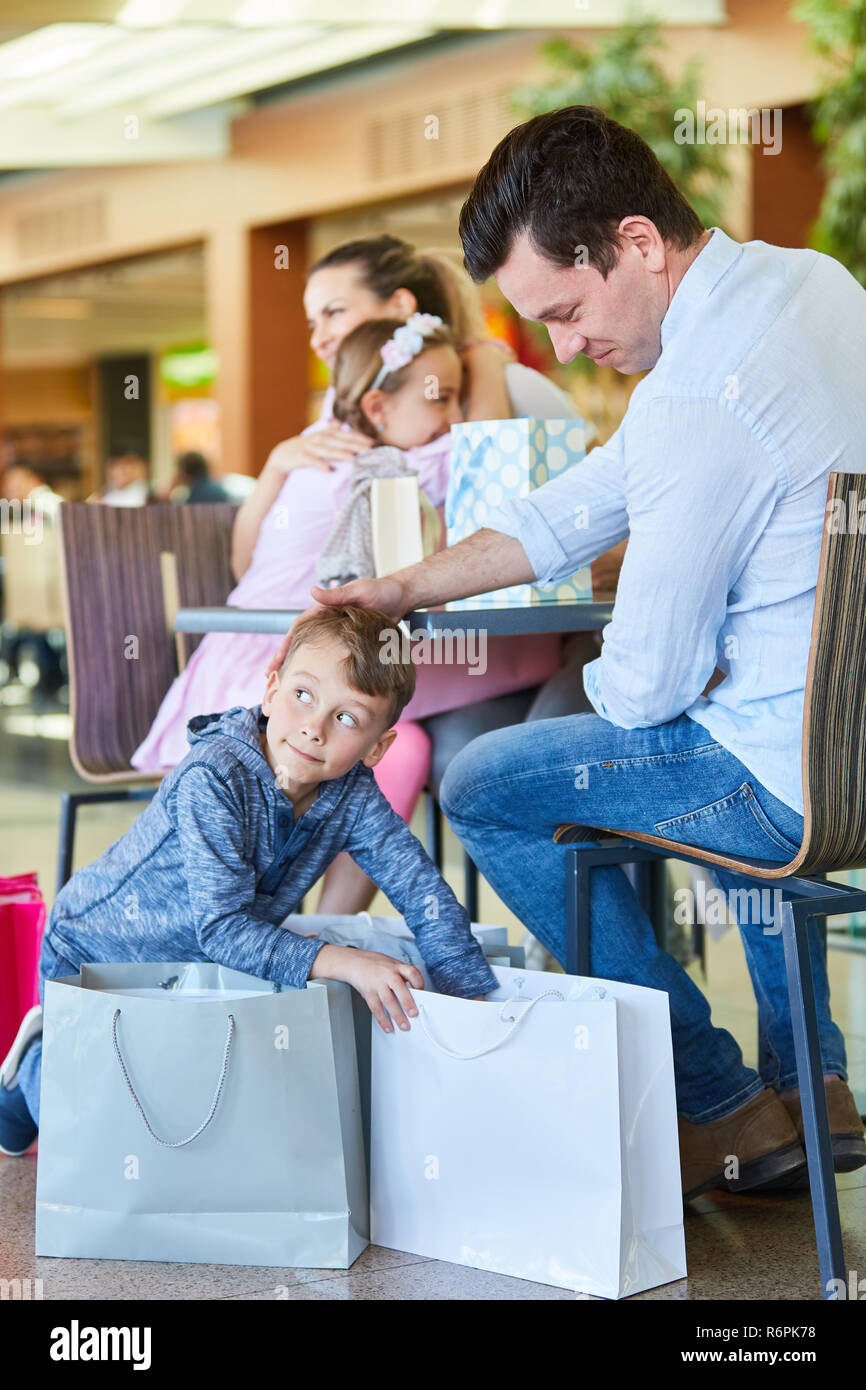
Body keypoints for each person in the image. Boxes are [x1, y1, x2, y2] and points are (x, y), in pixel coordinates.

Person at [284, 106, 866, 1200]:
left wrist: (610, 684)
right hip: (848, 758)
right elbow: (579, 505)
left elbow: (642, 689)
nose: (559, 347)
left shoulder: (700, 393)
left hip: (778, 787)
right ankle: (810, 1087)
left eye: (563, 309)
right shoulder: (812, 288)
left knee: (485, 779)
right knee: (704, 731)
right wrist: (405, 586)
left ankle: (710, 1098)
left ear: (637, 244)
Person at [0, 605, 497, 1155]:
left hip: (199, 970)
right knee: (97, 1141)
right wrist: (342, 960)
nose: (314, 727)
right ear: (271, 690)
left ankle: (28, 1088)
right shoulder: (214, 776)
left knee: (176, 1111)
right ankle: (35, 1065)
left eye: (348, 718)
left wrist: (466, 996)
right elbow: (224, 929)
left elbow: (421, 889)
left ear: (377, 748)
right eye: (304, 696)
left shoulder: (352, 795)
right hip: (95, 955)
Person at [90, 440, 151, 507]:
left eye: (129, 463)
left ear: (143, 466)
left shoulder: (150, 496)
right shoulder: (104, 494)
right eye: (115, 464)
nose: (121, 470)